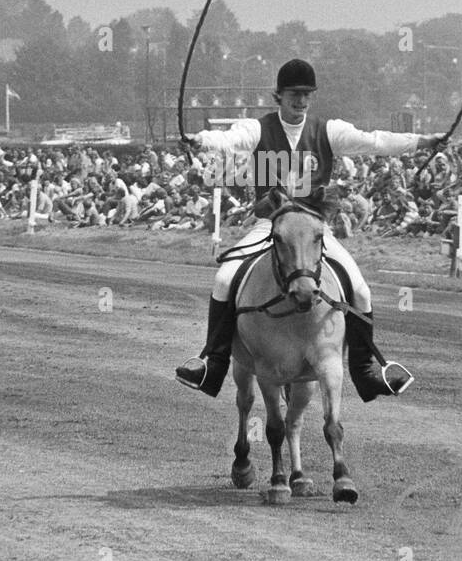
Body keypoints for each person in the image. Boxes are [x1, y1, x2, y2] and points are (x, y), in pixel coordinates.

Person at [174, 58, 445, 401]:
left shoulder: (327, 130)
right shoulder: (259, 129)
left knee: (360, 290)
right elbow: (230, 139)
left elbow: (375, 141)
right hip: (271, 225)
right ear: (279, 95)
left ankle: (366, 371)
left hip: (316, 230)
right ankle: (212, 364)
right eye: (293, 94)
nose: (300, 101)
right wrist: (199, 140)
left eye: (306, 95)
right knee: (225, 279)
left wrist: (423, 141)